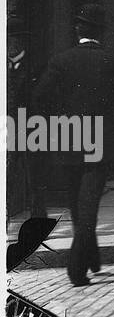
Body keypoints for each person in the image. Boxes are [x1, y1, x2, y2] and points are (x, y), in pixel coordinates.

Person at [33, 4, 114, 286]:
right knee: (89, 204)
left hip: (69, 137)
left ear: (79, 30)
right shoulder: (112, 61)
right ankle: (77, 268)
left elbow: (39, 97)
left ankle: (91, 256)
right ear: (100, 33)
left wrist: (60, 118)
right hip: (99, 141)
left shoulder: (61, 60)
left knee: (77, 202)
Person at [9, 12, 46, 219]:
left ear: (23, 41)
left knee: (35, 175)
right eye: (9, 39)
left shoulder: (36, 66)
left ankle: (38, 217)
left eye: (16, 39)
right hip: (7, 128)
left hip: (31, 125)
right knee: (8, 174)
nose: (12, 44)